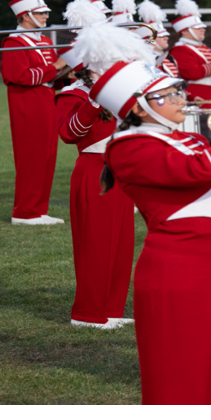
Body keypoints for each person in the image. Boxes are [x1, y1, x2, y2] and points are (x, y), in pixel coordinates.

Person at [99, 57, 211, 404]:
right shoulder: (127, 147)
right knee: (179, 372)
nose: (181, 99)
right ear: (139, 107)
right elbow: (199, 171)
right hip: (178, 266)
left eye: (178, 90)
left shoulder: (184, 139)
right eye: (168, 95)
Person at [56, 23, 146, 330]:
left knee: (121, 244)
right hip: (95, 171)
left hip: (121, 170)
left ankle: (112, 309)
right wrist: (95, 100)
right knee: (95, 245)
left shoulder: (119, 93)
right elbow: (68, 133)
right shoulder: (72, 93)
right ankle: (87, 313)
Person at [3, 0, 67, 225]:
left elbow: (50, 76)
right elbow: (18, 76)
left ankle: (39, 209)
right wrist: (57, 67)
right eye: (41, 13)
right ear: (26, 15)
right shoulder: (13, 42)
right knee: (31, 157)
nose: (46, 16)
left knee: (47, 156)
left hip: (46, 102)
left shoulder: (44, 41)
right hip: (27, 105)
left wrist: (66, 72)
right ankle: (24, 212)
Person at [169, 0, 211, 104]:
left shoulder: (206, 49)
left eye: (203, 27)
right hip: (196, 94)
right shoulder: (179, 50)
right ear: (184, 31)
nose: (203, 29)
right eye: (197, 28)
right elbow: (192, 73)